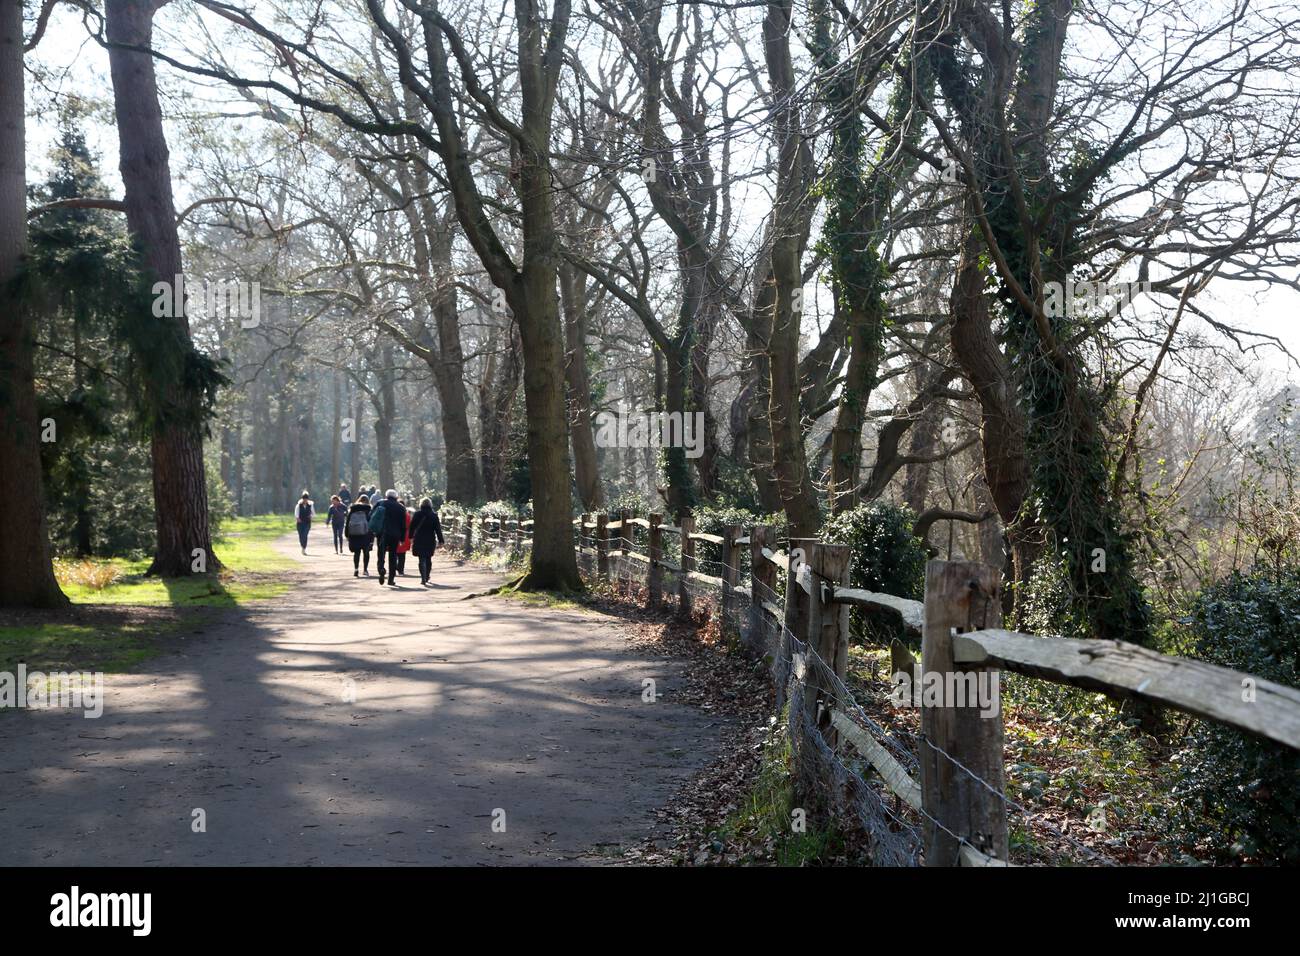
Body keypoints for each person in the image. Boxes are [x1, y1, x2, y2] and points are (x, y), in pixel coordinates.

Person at [371, 489, 406, 586]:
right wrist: (402, 538)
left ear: (386, 496)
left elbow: (371, 516)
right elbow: (403, 525)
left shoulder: (380, 503)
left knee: (381, 553)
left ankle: (381, 569)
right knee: (393, 556)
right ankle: (391, 579)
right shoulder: (400, 507)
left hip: (382, 533)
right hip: (395, 534)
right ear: (396, 497)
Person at [408, 498, 445, 586]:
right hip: (430, 539)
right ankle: (427, 575)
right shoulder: (434, 515)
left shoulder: (417, 514)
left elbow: (412, 527)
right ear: (430, 505)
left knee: (421, 559)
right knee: (428, 558)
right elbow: (438, 529)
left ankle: (423, 577)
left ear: (421, 505)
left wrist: (410, 537)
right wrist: (441, 540)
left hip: (419, 538)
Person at [345, 494, 375, 576]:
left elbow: (347, 523)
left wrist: (347, 534)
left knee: (356, 553)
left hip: (354, 534)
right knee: (366, 552)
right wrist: (372, 537)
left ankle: (356, 569)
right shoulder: (369, 510)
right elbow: (372, 523)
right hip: (366, 534)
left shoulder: (353, 509)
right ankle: (365, 570)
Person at [394, 501, 413, 576]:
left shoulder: (394, 514)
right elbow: (409, 525)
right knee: (402, 554)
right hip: (405, 535)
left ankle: (394, 567)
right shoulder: (407, 515)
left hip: (396, 534)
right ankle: (401, 570)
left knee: (394, 553)